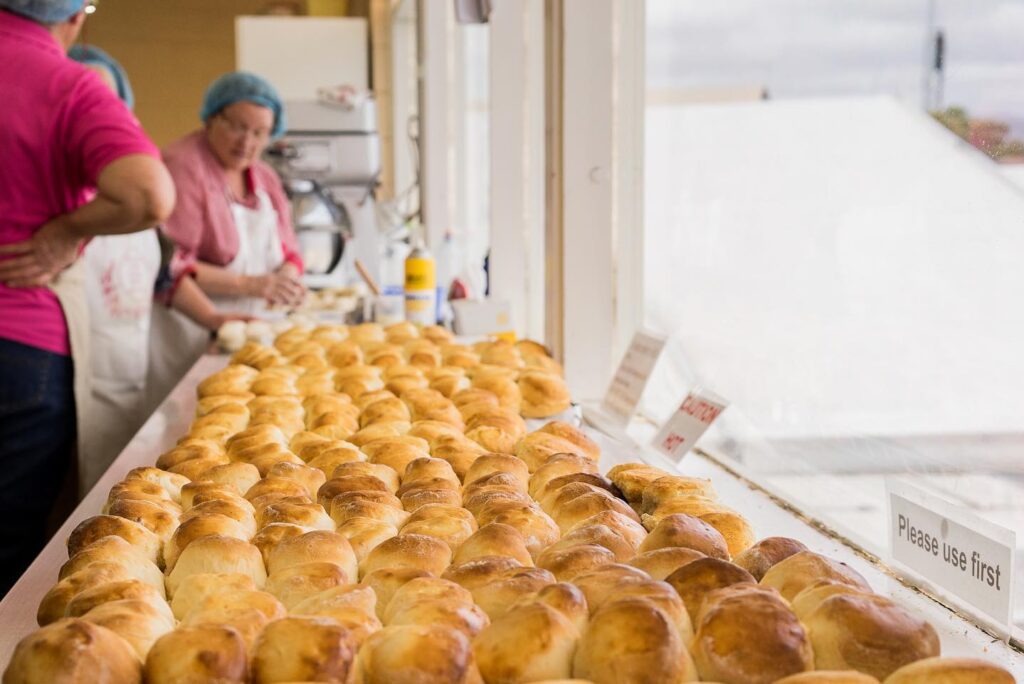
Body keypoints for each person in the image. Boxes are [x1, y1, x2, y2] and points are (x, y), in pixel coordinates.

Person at [0, 0, 175, 596]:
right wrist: (60, 234)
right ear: (74, 16)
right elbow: (149, 194)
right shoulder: (66, 84)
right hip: (18, 339)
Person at [69, 45, 249, 493]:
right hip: (68, 391)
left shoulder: (133, 191)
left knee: (117, 498)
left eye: (107, 103)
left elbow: (162, 276)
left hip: (131, 379)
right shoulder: (54, 199)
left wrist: (214, 319)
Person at [146, 71, 306, 410]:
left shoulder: (264, 175)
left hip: (251, 338)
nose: (246, 142)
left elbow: (290, 251)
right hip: (192, 329)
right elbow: (167, 264)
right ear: (211, 117)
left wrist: (286, 282)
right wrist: (252, 285)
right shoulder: (182, 166)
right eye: (237, 126)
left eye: (260, 133)